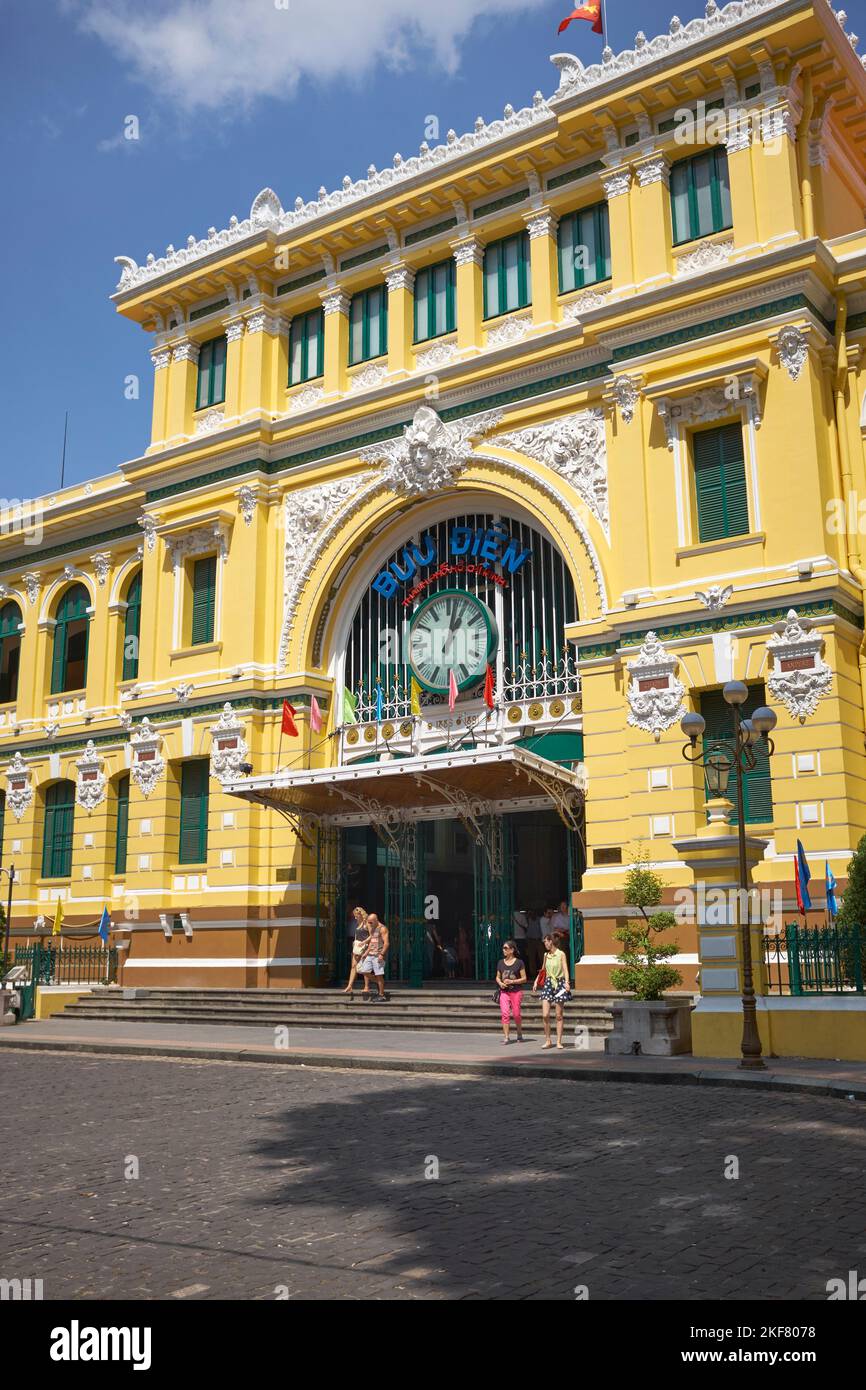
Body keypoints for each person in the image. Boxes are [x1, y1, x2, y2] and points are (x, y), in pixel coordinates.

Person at [534, 932, 571, 1049]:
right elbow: (543, 970)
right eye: (544, 942)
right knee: (545, 1015)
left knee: (558, 1015)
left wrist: (567, 982)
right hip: (549, 983)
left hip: (560, 984)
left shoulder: (561, 954)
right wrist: (536, 981)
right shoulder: (546, 955)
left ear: (551, 941)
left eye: (546, 941)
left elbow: (565, 968)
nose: (545, 944)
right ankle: (548, 1040)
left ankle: (559, 1041)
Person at [495, 940, 527, 1044]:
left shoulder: (519, 962)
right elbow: (497, 977)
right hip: (504, 992)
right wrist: (500, 983)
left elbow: (524, 978)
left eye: (506, 948)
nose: (503, 950)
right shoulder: (500, 962)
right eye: (503, 948)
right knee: (505, 1013)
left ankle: (519, 1033)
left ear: (512, 950)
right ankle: (506, 1037)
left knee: (516, 1014)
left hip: (516, 991)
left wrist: (512, 981)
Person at [358, 913, 389, 1000]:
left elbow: (386, 943)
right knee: (364, 971)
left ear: (376, 920)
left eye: (371, 922)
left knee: (379, 974)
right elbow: (372, 942)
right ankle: (380, 983)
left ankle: (381, 995)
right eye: (368, 922)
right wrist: (366, 953)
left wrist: (382, 954)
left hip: (378, 955)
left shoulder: (382, 928)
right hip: (370, 954)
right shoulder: (372, 928)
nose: (369, 924)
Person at [342, 905, 370, 994]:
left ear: (361, 914)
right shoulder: (358, 924)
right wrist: (355, 941)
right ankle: (349, 986)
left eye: (356, 915)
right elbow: (357, 934)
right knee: (353, 966)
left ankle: (367, 986)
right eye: (354, 915)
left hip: (364, 947)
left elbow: (372, 935)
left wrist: (365, 942)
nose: (355, 917)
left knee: (365, 968)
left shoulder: (367, 924)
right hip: (357, 947)